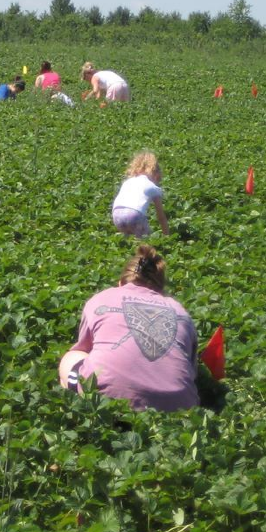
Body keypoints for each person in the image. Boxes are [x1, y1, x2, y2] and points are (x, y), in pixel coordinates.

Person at [57, 244, 199, 412]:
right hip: (181, 407)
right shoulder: (180, 311)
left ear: (120, 283)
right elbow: (192, 370)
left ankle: (82, 406)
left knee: (73, 356)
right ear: (161, 289)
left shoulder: (102, 298)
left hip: (104, 398)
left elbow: (86, 348)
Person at [111, 150, 169, 238]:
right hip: (134, 215)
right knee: (147, 241)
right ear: (156, 174)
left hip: (116, 214)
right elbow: (161, 216)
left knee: (128, 239)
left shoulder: (128, 181)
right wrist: (167, 236)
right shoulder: (152, 187)